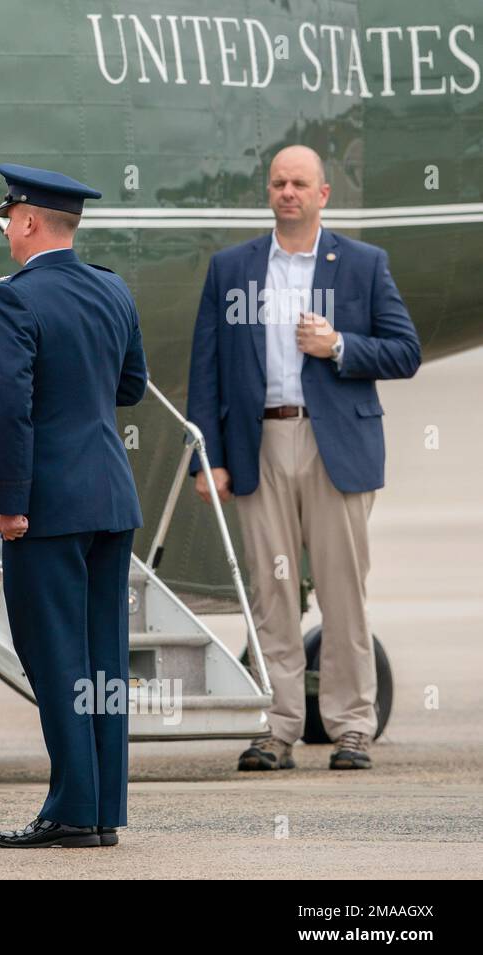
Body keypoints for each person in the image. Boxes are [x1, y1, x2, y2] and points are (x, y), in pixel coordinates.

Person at [186, 145, 420, 772]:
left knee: (344, 591)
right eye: (278, 183)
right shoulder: (231, 269)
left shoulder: (364, 265)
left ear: (323, 195)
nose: (288, 192)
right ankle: (278, 726)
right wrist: (208, 459)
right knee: (272, 590)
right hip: (259, 443)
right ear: (270, 192)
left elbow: (405, 351)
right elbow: (204, 371)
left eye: (300, 184)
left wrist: (338, 344)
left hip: (334, 443)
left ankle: (350, 728)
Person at [0, 165, 147, 849]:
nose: (6, 229)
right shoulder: (112, 287)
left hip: (49, 503)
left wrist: (11, 502)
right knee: (104, 656)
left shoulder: (14, 298)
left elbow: (10, 408)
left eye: (8, 217)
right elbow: (133, 386)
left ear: (27, 221)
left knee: (55, 655)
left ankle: (72, 808)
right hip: (110, 494)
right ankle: (104, 806)